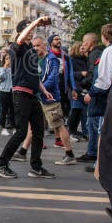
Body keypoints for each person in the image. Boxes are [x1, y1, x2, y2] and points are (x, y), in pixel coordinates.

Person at [0, 17, 55, 180]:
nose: (32, 30)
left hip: (33, 94)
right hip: (21, 94)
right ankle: (1, 164)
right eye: (29, 28)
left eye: (32, 28)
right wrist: (36, 22)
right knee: (21, 132)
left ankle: (36, 167)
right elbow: (20, 38)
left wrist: (43, 90)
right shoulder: (17, 47)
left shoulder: (31, 51)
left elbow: (35, 75)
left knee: (39, 131)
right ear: (22, 31)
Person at [84, 24, 112, 173]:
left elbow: (104, 80)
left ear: (104, 36)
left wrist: (91, 93)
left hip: (108, 97)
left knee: (103, 130)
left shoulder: (110, 51)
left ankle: (101, 165)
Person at [39, 34, 76, 166]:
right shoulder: (43, 57)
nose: (59, 41)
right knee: (35, 124)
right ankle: (23, 151)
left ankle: (69, 153)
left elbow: (66, 73)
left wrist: (74, 88)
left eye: (59, 39)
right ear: (50, 43)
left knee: (58, 123)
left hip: (54, 93)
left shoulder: (60, 57)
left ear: (44, 45)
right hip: (46, 93)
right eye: (56, 39)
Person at [76, 32, 104, 164]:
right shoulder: (100, 52)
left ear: (90, 43)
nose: (83, 45)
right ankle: (93, 152)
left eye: (84, 42)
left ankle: (93, 152)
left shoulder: (94, 55)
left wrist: (83, 85)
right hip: (99, 93)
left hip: (96, 94)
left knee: (92, 123)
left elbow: (94, 74)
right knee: (92, 123)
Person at [66, 41, 88, 140]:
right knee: (75, 110)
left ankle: (81, 131)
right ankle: (71, 131)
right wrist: (81, 73)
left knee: (81, 111)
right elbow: (69, 74)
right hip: (75, 88)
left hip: (83, 87)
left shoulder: (85, 59)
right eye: (82, 48)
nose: (84, 50)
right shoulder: (72, 59)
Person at [0, 51, 15, 136]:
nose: (8, 60)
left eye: (10, 59)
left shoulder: (14, 69)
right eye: (6, 59)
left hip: (13, 91)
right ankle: (3, 128)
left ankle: (14, 127)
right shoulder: (1, 69)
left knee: (13, 110)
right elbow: (0, 78)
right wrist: (5, 68)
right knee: (4, 110)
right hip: (4, 91)